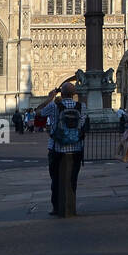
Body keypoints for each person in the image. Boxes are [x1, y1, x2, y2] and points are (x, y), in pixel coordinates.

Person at [38, 80, 86, 215]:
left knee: (55, 180)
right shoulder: (82, 106)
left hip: (57, 148)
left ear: (61, 93)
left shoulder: (54, 106)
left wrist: (50, 97)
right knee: (73, 180)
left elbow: (38, 112)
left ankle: (57, 207)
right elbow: (82, 125)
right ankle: (70, 207)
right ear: (74, 93)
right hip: (76, 148)